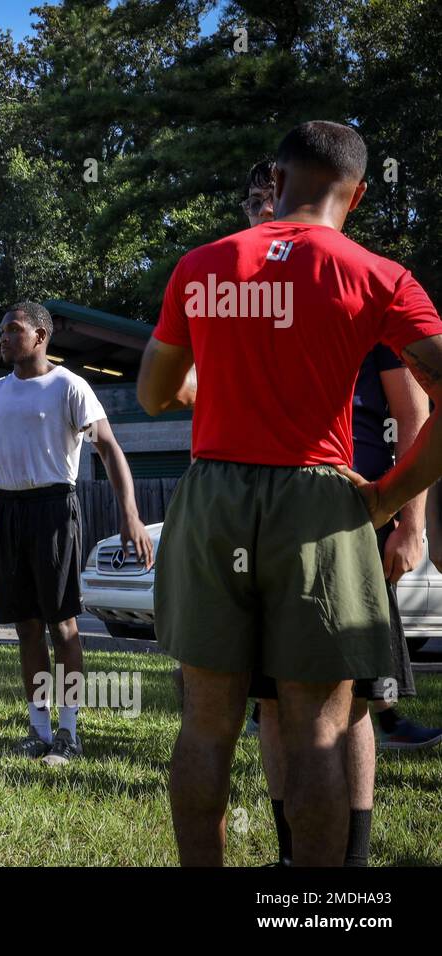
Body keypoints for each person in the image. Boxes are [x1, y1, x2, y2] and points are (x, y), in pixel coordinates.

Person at [137, 120, 442, 866]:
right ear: (358, 192)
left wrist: (224, 384)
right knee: (318, 728)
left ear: (274, 182)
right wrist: (389, 496)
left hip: (210, 495)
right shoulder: (377, 274)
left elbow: (153, 393)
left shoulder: (202, 264)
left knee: (205, 725)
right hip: (319, 502)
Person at [237, 159, 441, 868]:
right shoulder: (234, 297)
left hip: (350, 513)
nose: (273, 212)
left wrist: (408, 518)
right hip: (258, 523)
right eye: (259, 201)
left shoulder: (356, 285)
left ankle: (348, 866)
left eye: (279, 196)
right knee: (269, 700)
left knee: (350, 702)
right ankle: (294, 856)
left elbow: (416, 409)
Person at [0, 302, 153, 766]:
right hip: (8, 510)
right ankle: (38, 729)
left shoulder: (69, 385)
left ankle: (69, 732)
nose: (2, 338)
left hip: (54, 510)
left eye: (13, 330)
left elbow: (108, 448)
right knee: (25, 625)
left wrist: (130, 513)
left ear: (40, 336)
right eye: (2, 331)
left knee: (62, 625)